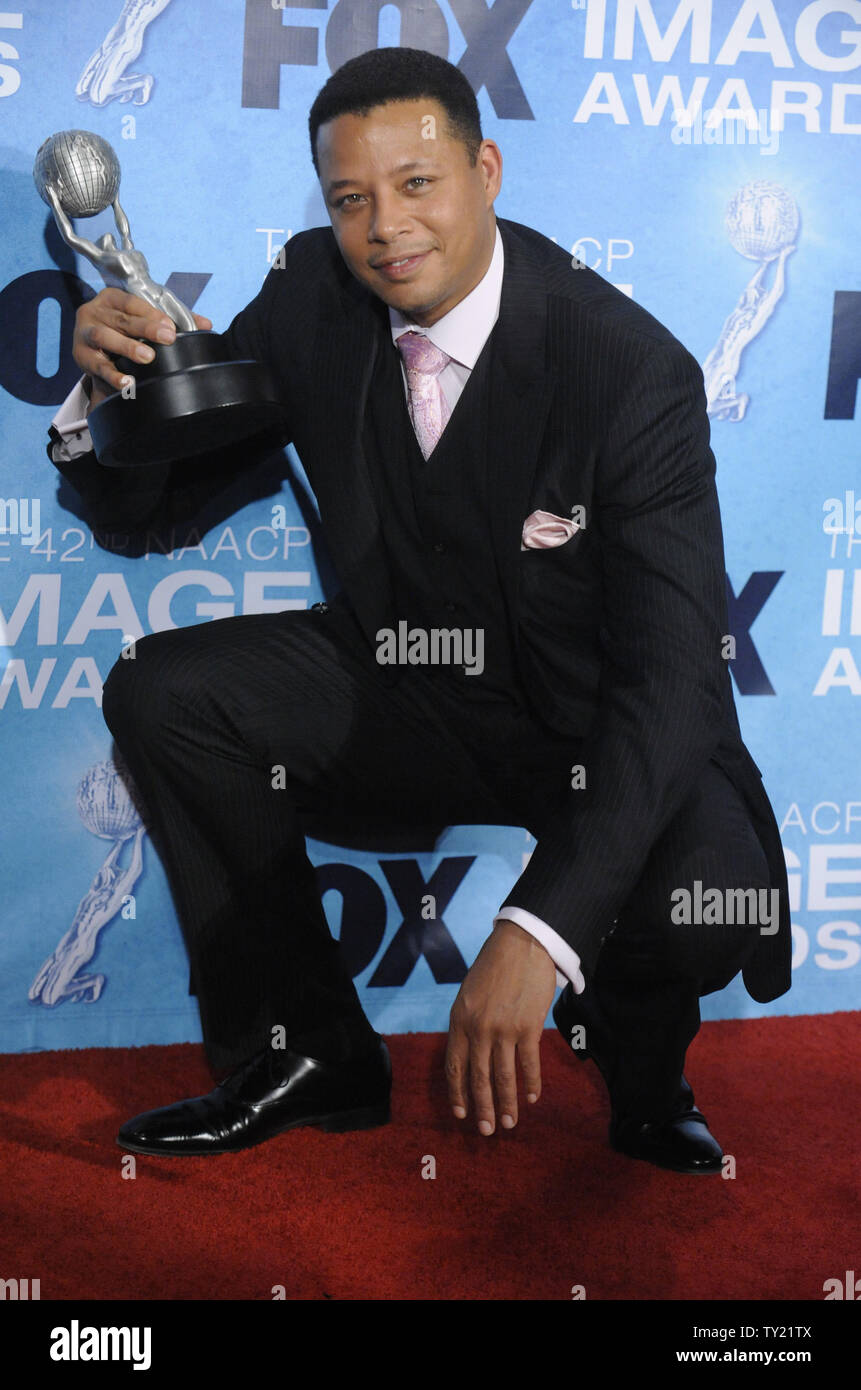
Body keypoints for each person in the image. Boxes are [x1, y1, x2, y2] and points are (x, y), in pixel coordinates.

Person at [48, 46, 790, 1172]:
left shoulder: (627, 369)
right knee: (168, 693)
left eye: (417, 183)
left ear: (486, 171)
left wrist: (539, 932)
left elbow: (673, 682)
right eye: (352, 198)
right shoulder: (312, 301)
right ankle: (309, 1054)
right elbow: (160, 508)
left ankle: (643, 1067)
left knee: (707, 894)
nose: (386, 227)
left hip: (595, 724)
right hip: (399, 693)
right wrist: (103, 403)